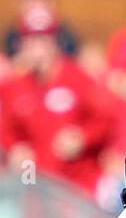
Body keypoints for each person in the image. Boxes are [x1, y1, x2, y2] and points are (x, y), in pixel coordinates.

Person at [0, 28, 114, 196]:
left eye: (43, 41)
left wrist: (82, 137)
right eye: (30, 41)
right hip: (35, 182)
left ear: (55, 42)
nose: (37, 49)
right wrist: (15, 148)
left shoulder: (78, 78)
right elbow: (8, 130)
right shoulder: (15, 86)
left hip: (78, 183)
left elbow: (105, 120)